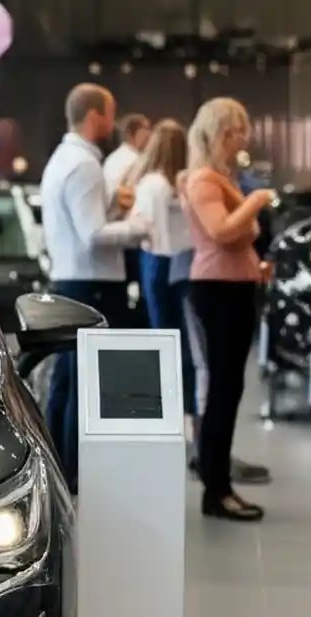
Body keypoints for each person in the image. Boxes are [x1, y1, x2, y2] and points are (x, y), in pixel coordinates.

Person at [39, 83, 150, 491]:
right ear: (94, 116)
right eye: (110, 112)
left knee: (67, 382)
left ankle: (63, 470)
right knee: (84, 384)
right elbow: (93, 234)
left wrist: (113, 206)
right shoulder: (84, 165)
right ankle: (75, 475)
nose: (114, 121)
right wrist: (138, 227)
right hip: (91, 285)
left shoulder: (64, 159)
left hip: (74, 279)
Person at [182, 98, 277, 522]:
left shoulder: (222, 179)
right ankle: (216, 488)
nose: (245, 138)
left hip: (234, 286)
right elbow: (221, 231)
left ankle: (219, 484)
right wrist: (256, 200)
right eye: (238, 130)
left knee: (229, 388)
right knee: (222, 389)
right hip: (218, 289)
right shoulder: (205, 180)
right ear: (222, 132)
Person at [126, 119, 198, 438]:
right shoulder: (185, 183)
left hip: (155, 261)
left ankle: (166, 415)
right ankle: (190, 413)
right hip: (185, 264)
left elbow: (140, 226)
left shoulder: (149, 183)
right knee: (185, 342)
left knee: (162, 341)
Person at [104, 113, 151, 201]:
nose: (149, 134)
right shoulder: (136, 161)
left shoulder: (111, 158)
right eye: (146, 129)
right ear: (130, 132)